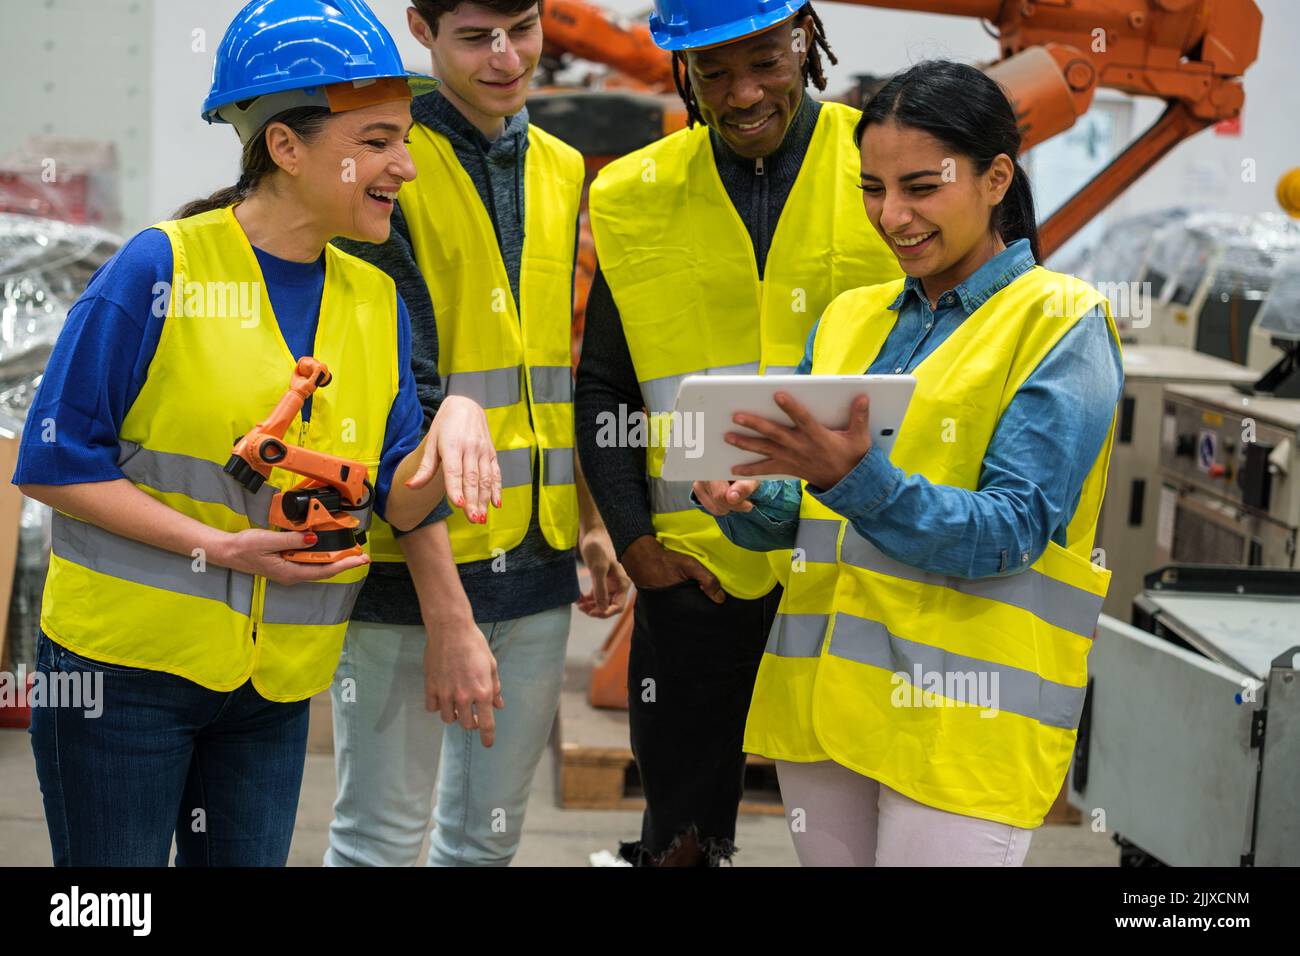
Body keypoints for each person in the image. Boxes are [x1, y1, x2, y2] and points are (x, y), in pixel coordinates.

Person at [12, 0, 499, 867]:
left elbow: (396, 493)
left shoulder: (373, 298)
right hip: (125, 675)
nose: (407, 167)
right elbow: (54, 462)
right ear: (285, 145)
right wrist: (218, 547)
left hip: (275, 685)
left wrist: (456, 415)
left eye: (406, 139)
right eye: (380, 140)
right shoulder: (160, 269)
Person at [694, 59, 1125, 866]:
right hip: (827, 706)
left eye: (922, 187)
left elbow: (1010, 532)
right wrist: (753, 501)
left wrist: (848, 478)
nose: (892, 216)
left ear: (996, 177)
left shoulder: (1062, 324)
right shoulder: (852, 317)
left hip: (965, 721)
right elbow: (817, 515)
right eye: (873, 188)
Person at [576, 0, 900, 866]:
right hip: (697, 572)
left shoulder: (884, 169)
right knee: (681, 836)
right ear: (681, 70)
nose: (741, 92)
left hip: (861, 566)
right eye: (712, 72)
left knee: (857, 828)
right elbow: (605, 383)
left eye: (763, 60)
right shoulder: (634, 194)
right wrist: (635, 539)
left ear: (805, 39)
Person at [325, 0, 629, 868]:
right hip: (410, 566)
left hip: (535, 560)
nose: (505, 56)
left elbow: (555, 361)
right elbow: (389, 388)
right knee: (378, 841)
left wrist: (595, 521)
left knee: (484, 843)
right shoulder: (390, 163)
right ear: (421, 28)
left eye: (524, 28)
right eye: (475, 36)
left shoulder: (563, 165)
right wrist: (448, 614)